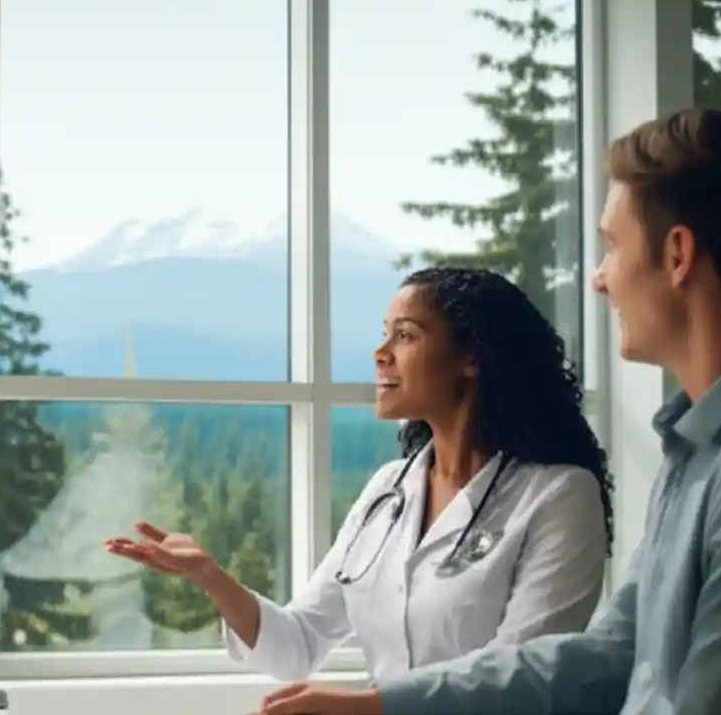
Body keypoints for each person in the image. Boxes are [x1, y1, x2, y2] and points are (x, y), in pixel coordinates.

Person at [251, 107, 721, 715]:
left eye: (613, 246)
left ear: (678, 255)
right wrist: (384, 705)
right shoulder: (704, 444)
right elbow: (615, 655)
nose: (600, 277)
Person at [105, 266, 614, 684]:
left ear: (471, 357)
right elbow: (297, 646)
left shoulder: (558, 496)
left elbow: (518, 683)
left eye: (406, 335)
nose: (381, 352)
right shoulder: (389, 491)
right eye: (384, 333)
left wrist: (369, 708)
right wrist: (211, 577)